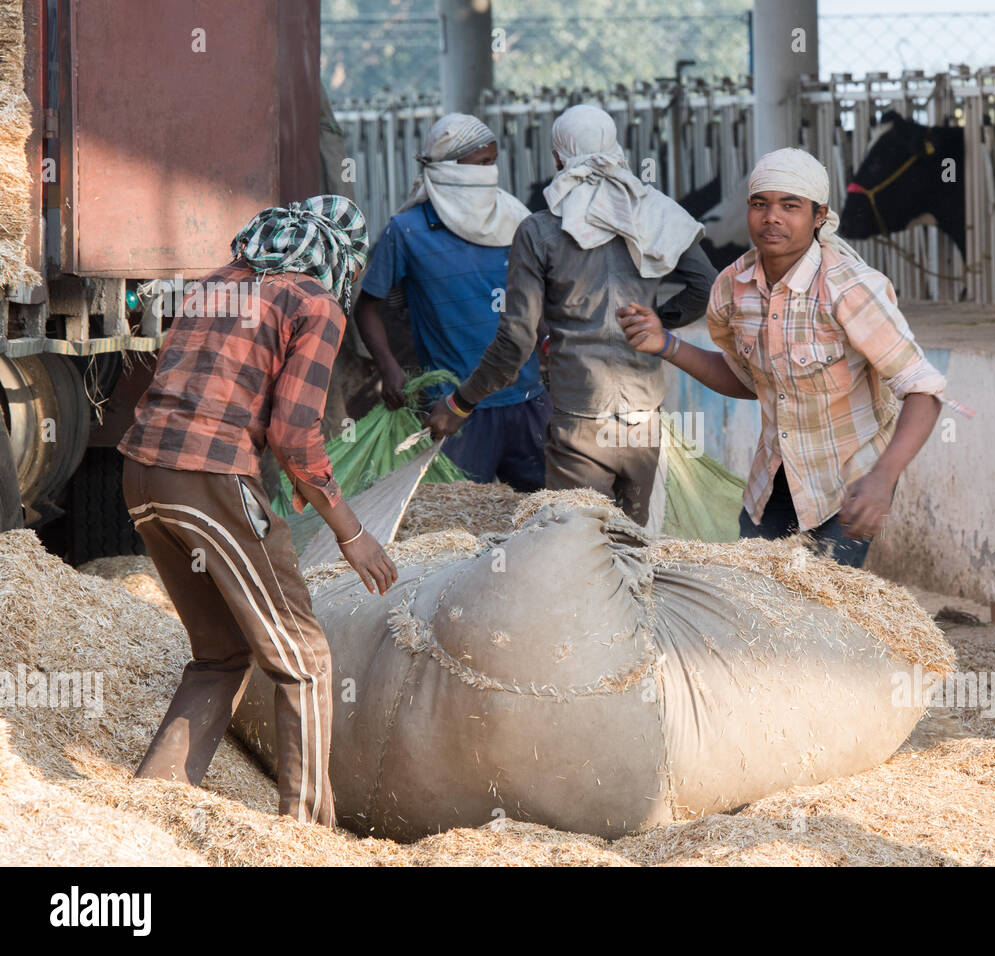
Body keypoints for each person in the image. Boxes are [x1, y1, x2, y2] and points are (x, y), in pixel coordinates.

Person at [117, 196, 398, 827]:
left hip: (142, 474)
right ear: (339, 258)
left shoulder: (217, 283)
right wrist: (351, 532)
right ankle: (306, 833)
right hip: (210, 479)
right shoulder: (314, 304)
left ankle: (150, 804)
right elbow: (296, 435)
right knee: (305, 661)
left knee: (221, 652)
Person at [618, 148, 946, 566]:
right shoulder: (731, 288)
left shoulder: (850, 288)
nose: (772, 217)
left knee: (824, 608)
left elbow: (924, 390)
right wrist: (666, 345)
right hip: (774, 482)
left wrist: (883, 477)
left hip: (848, 481)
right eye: (760, 204)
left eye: (790, 206)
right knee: (753, 601)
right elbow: (748, 380)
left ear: (819, 216)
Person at [423, 104, 717, 526]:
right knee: (633, 550)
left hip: (582, 425)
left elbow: (515, 343)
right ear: (616, 148)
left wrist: (460, 402)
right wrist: (654, 325)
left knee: (577, 551)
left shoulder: (539, 230)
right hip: (644, 422)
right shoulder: (656, 213)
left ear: (558, 159)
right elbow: (706, 286)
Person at [354, 113, 549, 491]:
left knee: (548, 515)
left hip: (526, 399)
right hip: (453, 410)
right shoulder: (407, 230)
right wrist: (389, 367)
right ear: (446, 167)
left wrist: (547, 344)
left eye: (493, 162)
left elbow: (535, 297)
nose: (489, 173)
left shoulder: (517, 220)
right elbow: (368, 307)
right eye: (479, 164)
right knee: (456, 525)